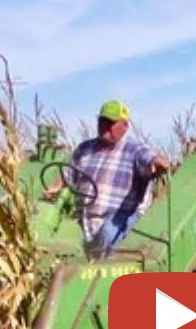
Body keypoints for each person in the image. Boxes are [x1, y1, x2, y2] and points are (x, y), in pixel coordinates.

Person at [69, 100, 170, 256]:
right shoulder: (84, 149)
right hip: (84, 218)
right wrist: (55, 188)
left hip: (117, 217)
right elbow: (67, 175)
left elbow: (151, 159)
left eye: (111, 122)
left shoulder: (134, 150)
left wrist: (157, 162)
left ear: (125, 126)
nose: (105, 126)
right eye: (102, 121)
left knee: (107, 235)